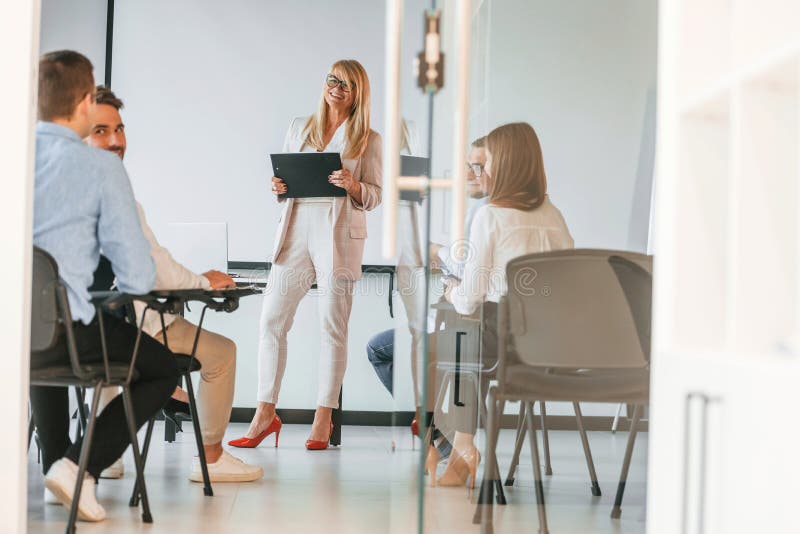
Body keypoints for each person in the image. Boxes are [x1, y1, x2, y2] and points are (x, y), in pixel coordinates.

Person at [85, 86, 263, 482]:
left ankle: (106, 456)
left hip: (76, 327)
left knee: (109, 347)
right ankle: (211, 458)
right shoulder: (117, 198)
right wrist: (203, 282)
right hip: (124, 329)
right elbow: (155, 271)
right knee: (222, 353)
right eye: (100, 130)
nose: (116, 140)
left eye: (119, 128)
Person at [30, 50, 178, 522]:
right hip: (64, 332)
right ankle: (76, 465)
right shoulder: (100, 169)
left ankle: (57, 463)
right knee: (160, 369)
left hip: (12, 331)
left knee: (38, 337)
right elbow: (137, 276)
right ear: (86, 101)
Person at [230, 60, 382, 450]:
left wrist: (352, 184)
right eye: (332, 80)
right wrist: (278, 185)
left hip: (338, 234)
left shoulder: (369, 138)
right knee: (271, 321)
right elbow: (287, 180)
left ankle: (323, 416)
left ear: (358, 92)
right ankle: (265, 413)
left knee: (333, 327)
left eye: (346, 84)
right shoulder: (301, 127)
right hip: (295, 227)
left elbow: (375, 195)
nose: (336, 87)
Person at [438, 121, 574, 487]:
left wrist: (451, 290)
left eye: (489, 161)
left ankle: (462, 444)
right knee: (466, 333)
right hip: (549, 350)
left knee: (459, 327)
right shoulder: (554, 217)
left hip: (501, 345)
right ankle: (458, 447)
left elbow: (468, 299)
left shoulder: (490, 216)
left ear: (506, 164)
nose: (485, 170)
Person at [366, 136, 489, 396]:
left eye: (477, 167)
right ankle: (433, 425)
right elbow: (473, 267)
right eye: (468, 165)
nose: (467, 174)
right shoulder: (497, 211)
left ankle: (427, 423)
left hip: (468, 326)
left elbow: (470, 274)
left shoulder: (484, 213)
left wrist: (436, 251)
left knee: (378, 348)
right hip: (490, 329)